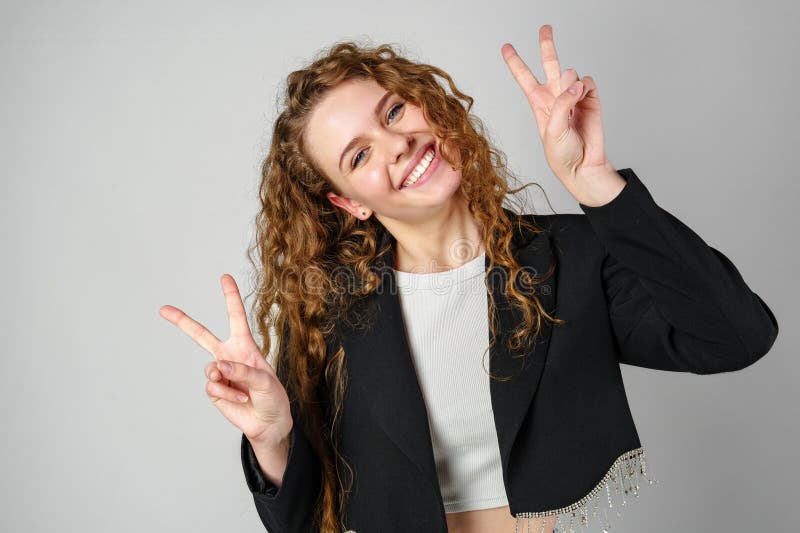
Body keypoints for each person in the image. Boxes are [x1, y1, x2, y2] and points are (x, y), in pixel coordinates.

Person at [159, 24, 779, 533]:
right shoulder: (332, 312)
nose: (396, 144)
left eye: (394, 110)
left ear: (427, 104)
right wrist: (273, 440)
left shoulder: (573, 255)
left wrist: (598, 188)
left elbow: (737, 336)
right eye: (359, 155)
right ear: (350, 203)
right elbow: (301, 523)